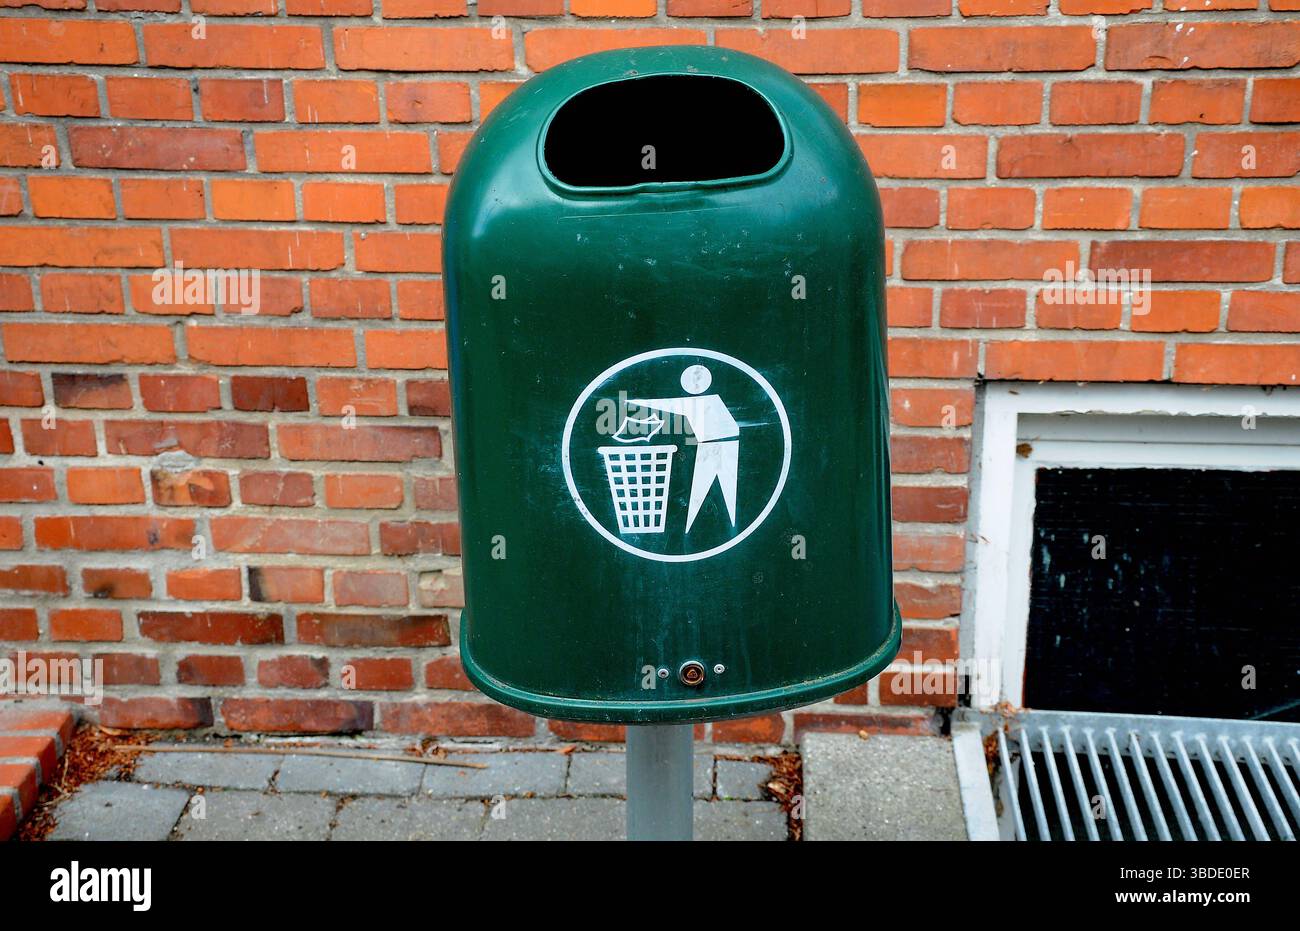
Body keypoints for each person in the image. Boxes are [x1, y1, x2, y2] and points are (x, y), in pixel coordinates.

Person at [629, 364, 739, 533]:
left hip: (706, 453)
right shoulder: (688, 407)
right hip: (689, 456)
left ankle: (708, 519)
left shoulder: (709, 405)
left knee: (713, 498)